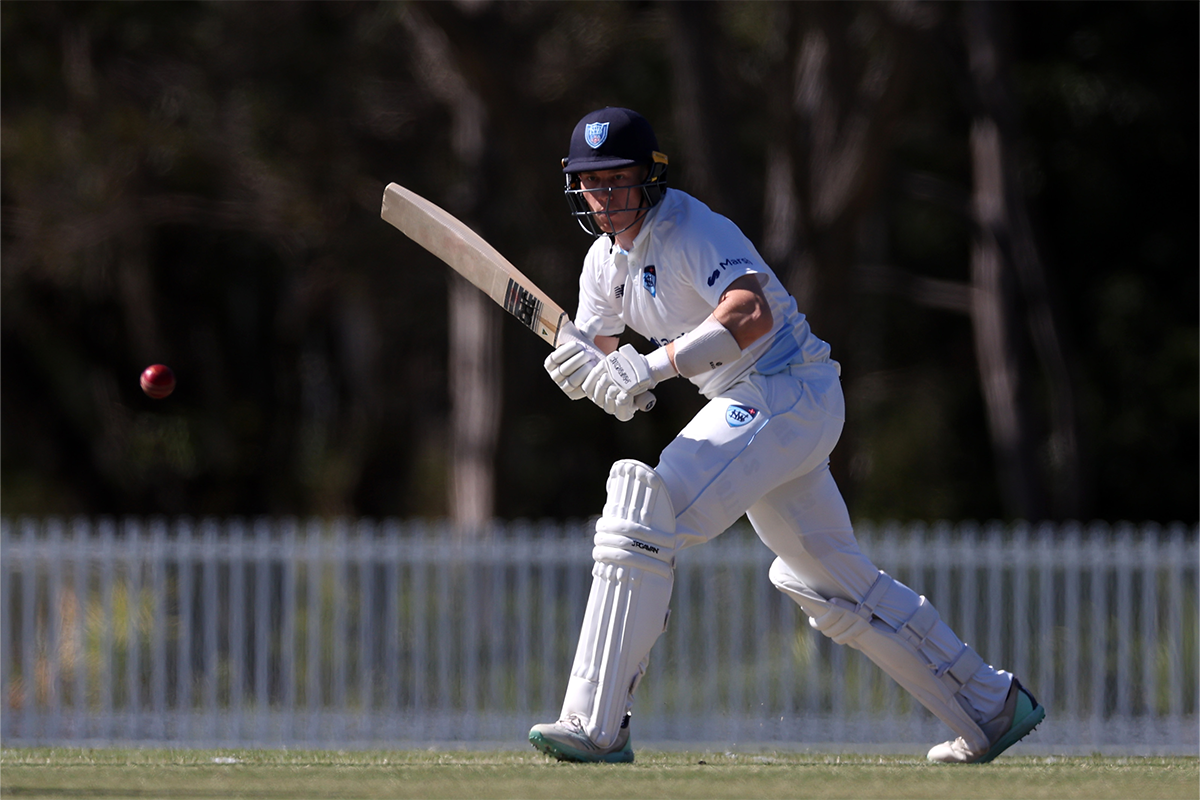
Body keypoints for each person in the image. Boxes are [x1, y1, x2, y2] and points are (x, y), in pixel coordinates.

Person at [529, 107, 1045, 764]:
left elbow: (749, 311)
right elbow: (606, 355)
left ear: (650, 178)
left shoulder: (690, 228)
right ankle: (990, 703)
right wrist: (587, 373)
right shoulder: (603, 264)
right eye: (592, 184)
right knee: (827, 583)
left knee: (643, 513)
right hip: (759, 405)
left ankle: (597, 725)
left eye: (618, 180)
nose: (605, 198)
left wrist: (648, 366)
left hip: (784, 385)